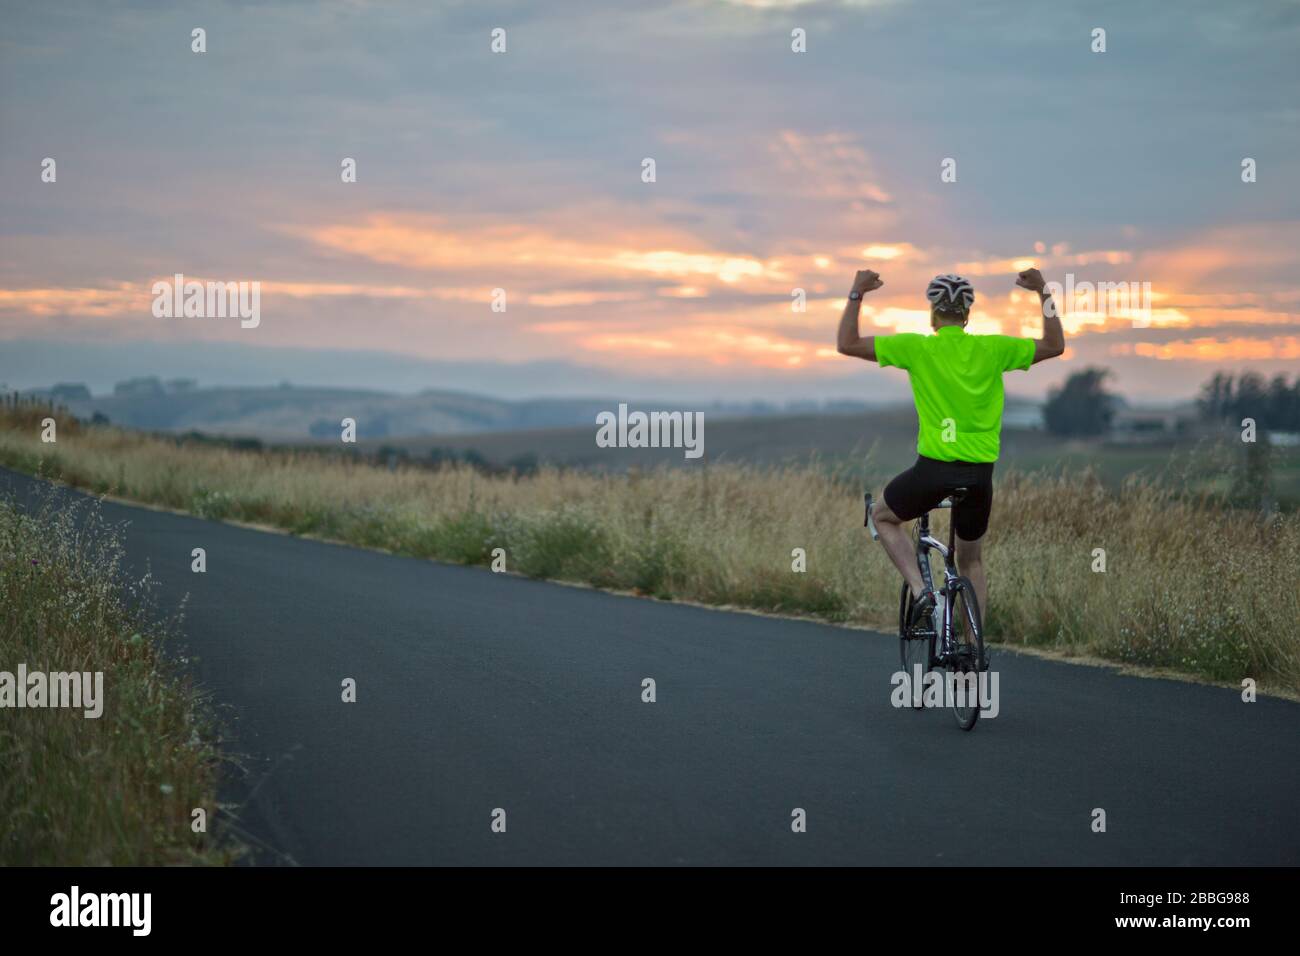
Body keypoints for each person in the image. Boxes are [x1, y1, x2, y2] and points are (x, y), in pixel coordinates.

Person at [835, 268, 1064, 623]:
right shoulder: (993, 349)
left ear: (932, 313)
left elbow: (847, 344)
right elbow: (1054, 346)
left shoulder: (916, 347)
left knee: (880, 515)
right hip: (979, 475)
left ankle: (922, 591)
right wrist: (1043, 292)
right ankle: (974, 658)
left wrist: (857, 292)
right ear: (968, 316)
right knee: (971, 561)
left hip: (933, 471)